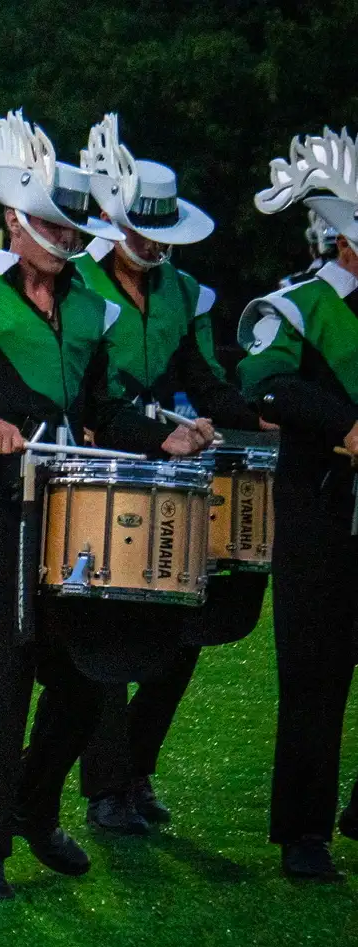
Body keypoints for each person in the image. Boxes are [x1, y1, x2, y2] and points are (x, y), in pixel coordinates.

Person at [0, 111, 212, 900]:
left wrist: (158, 437)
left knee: (86, 673)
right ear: (12, 220)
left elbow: (104, 402)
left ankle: (32, 805)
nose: (65, 240)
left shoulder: (92, 308)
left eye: (71, 228)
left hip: (78, 509)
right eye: (49, 226)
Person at [72, 115, 266, 837]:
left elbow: (206, 379)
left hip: (173, 472)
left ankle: (137, 767)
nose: (153, 247)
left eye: (162, 236)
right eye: (143, 233)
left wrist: (256, 416)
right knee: (108, 633)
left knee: (178, 634)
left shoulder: (183, 291)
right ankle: (102, 786)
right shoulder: (76, 282)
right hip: (98, 469)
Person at [239, 126, 358, 881]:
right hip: (321, 514)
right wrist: (343, 424)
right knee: (315, 676)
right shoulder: (296, 306)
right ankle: (303, 831)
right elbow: (265, 385)